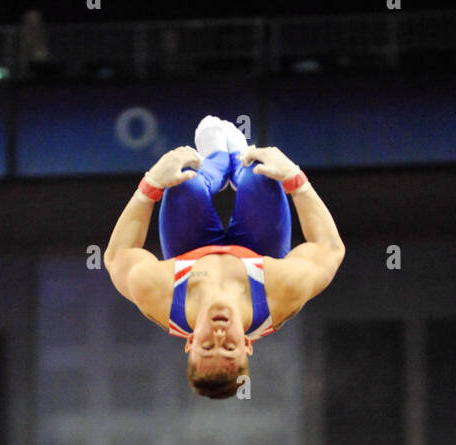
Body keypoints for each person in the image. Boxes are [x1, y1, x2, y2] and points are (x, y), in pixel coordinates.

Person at [103, 118, 344, 399]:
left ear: (190, 342)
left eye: (207, 346)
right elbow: (329, 248)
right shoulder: (281, 292)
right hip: (259, 249)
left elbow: (117, 256)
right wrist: (296, 181)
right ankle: (241, 163)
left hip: (191, 248)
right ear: (248, 346)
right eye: (229, 348)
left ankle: (216, 160)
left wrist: (150, 185)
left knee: (184, 184)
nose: (219, 336)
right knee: (260, 177)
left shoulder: (160, 295)